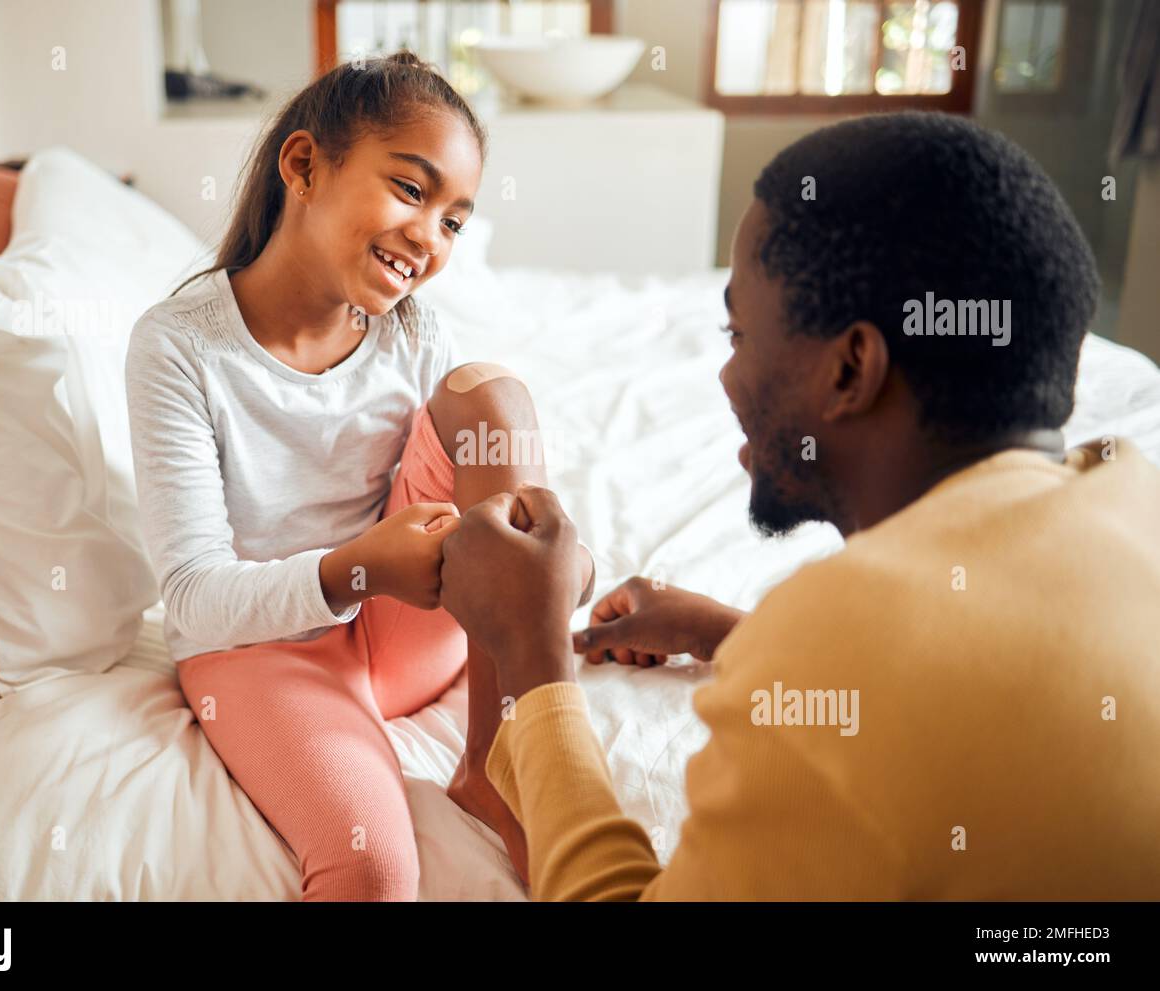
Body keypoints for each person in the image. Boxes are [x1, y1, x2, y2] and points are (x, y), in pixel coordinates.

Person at [438, 111, 1160, 900]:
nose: (724, 376)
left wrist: (535, 653)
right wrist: (732, 636)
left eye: (739, 332)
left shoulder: (839, 634)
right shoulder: (1130, 493)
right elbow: (983, 703)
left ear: (851, 368)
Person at [125, 52, 591, 901]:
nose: (429, 239)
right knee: (371, 868)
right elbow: (190, 596)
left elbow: (481, 492)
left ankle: (496, 757)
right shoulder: (179, 345)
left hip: (404, 629)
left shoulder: (414, 338)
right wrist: (359, 566)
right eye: (412, 193)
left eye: (454, 220)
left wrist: (554, 570)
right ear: (303, 166)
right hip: (262, 651)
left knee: (495, 398)